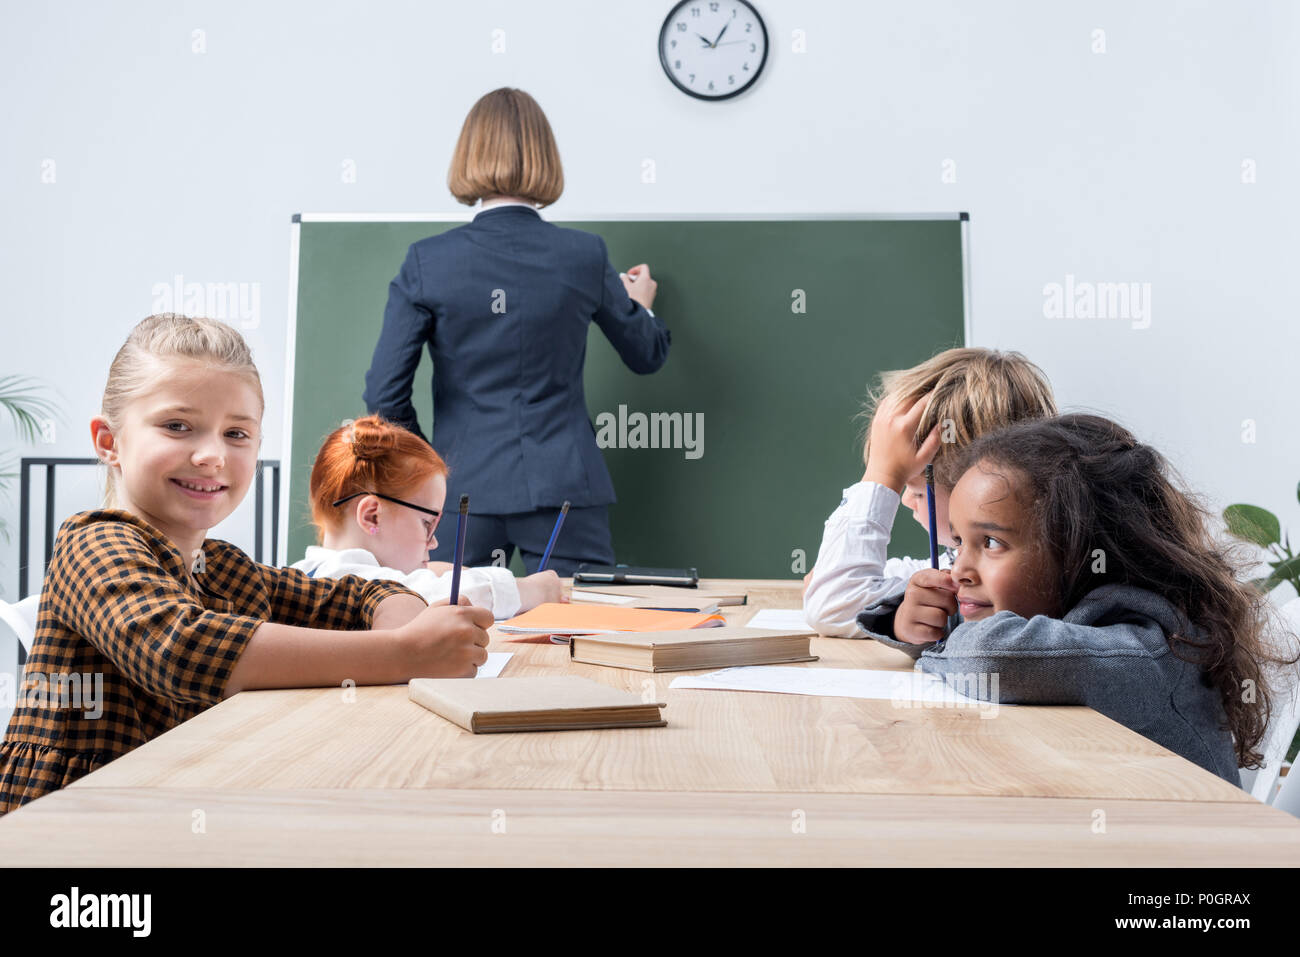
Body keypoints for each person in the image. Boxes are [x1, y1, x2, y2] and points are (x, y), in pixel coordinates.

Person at [0, 315, 491, 815]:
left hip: (171, 805)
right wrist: (404, 652)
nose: (212, 455)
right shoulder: (93, 544)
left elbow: (356, 595)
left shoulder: (220, 567)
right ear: (109, 442)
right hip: (66, 823)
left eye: (236, 433)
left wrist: (406, 618)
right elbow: (182, 649)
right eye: (177, 426)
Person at [860, 413, 1295, 784]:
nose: (958, 571)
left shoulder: (1144, 651)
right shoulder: (1073, 627)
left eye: (990, 542)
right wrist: (916, 623)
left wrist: (937, 642)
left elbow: (998, 655)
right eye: (959, 543)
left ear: (1082, 551)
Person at [363, 87, 670, 577]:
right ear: (545, 157)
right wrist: (640, 307)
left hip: (461, 494)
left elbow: (384, 393)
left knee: (451, 638)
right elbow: (646, 354)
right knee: (580, 638)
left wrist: (430, 468)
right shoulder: (583, 255)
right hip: (566, 490)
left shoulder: (428, 261)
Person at [803, 348, 1057, 637]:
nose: (906, 500)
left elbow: (832, 603)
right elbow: (844, 587)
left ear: (975, 487)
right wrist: (835, 574)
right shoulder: (966, 564)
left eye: (917, 492)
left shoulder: (1011, 589)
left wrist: (882, 476)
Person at [293, 415, 563, 617]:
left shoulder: (309, 570)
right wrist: (536, 590)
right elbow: (433, 598)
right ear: (372, 517)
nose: (433, 543)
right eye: (427, 524)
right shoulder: (344, 581)